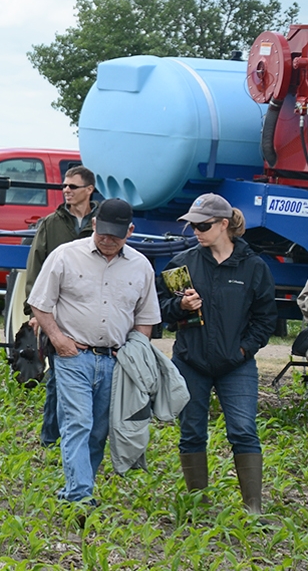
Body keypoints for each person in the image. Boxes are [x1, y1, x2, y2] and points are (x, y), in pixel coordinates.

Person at [28, 198, 160, 506]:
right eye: (103, 232)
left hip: (114, 359)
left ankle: (76, 487)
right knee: (78, 422)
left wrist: (133, 355)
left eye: (117, 235)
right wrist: (58, 339)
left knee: (99, 430)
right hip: (73, 356)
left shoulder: (141, 266)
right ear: (94, 224)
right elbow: (40, 303)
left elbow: (145, 319)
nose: (108, 240)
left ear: (130, 231)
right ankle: (80, 495)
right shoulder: (66, 255)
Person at [158, 193, 276, 514]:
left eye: (203, 225)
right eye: (192, 225)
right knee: (191, 433)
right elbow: (159, 308)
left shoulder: (253, 267)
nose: (196, 231)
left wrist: (244, 349)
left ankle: (253, 510)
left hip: (236, 365)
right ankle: (199, 507)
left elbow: (266, 318)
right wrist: (180, 305)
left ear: (224, 224)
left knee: (244, 431)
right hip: (190, 362)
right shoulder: (183, 263)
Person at [26, 165, 98, 448]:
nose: (66, 190)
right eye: (64, 186)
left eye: (72, 186)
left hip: (90, 313)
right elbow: (36, 267)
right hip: (56, 314)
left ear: (89, 190)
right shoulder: (50, 224)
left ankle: (86, 440)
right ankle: (50, 439)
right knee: (57, 378)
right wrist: (34, 312)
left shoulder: (101, 224)